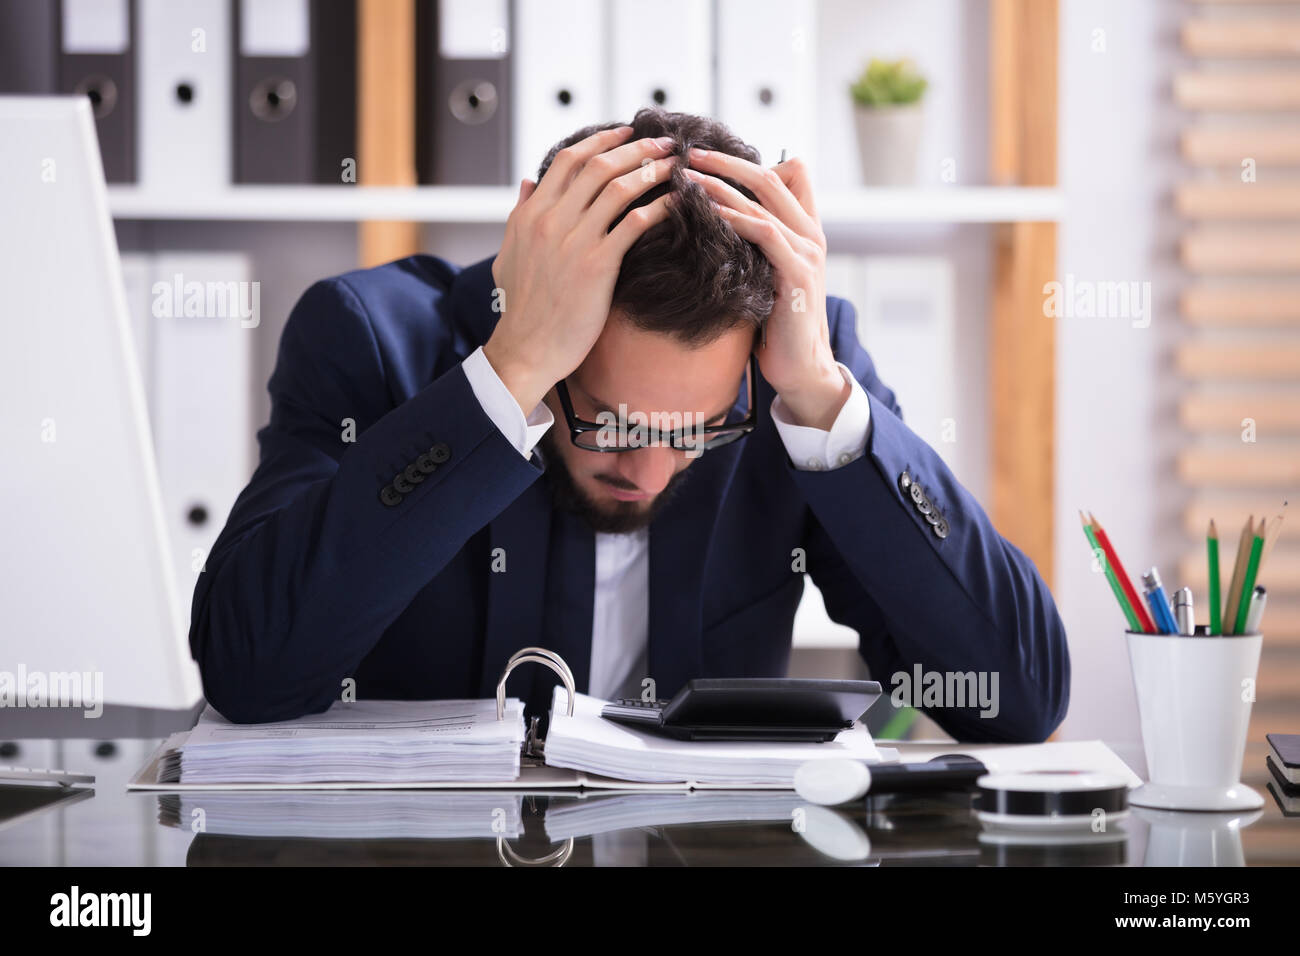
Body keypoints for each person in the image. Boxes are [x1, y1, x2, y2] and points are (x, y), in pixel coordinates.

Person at [189, 108, 1069, 742]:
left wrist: (822, 401)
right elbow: (249, 668)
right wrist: (511, 373)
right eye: (608, 421)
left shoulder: (789, 373)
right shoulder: (367, 338)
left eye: (696, 430)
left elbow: (1017, 696)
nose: (651, 472)